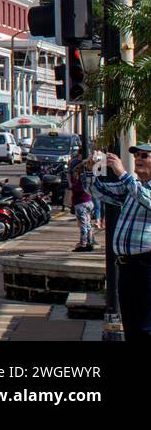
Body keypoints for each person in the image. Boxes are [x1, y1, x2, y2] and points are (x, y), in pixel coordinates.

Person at [83, 143, 151, 342]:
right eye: (137, 155)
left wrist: (123, 173)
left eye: (145, 156)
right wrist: (91, 170)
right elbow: (98, 191)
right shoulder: (133, 187)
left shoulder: (136, 187)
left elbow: (146, 200)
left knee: (146, 326)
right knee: (131, 324)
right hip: (127, 266)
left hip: (147, 267)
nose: (138, 159)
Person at [70, 149, 95, 253]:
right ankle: (89, 242)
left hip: (81, 202)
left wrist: (73, 184)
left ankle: (83, 244)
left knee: (83, 225)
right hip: (88, 201)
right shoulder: (87, 176)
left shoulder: (79, 178)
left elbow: (77, 189)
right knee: (88, 224)